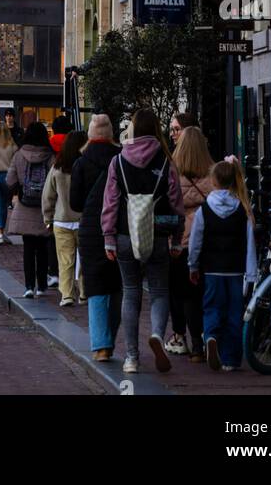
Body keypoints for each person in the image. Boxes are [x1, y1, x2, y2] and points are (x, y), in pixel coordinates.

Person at [102, 107, 185, 375]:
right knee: (160, 291)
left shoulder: (118, 161)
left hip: (126, 235)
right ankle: (158, 336)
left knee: (130, 292)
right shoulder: (166, 161)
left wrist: (109, 238)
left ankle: (131, 357)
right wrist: (176, 238)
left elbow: (111, 202)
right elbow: (176, 203)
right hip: (159, 235)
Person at [188, 159, 258, 372]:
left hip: (211, 269)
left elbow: (195, 240)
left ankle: (210, 336)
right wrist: (252, 275)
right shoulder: (242, 210)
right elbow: (250, 245)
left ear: (213, 181)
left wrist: (192, 265)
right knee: (234, 314)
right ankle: (231, 359)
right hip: (236, 271)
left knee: (212, 308)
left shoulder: (204, 210)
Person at [70, 113, 122, 361]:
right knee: (118, 285)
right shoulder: (121, 159)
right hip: (119, 227)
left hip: (91, 229)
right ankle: (111, 334)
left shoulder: (81, 162)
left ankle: (101, 344)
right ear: (111, 133)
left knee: (95, 286)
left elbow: (76, 202)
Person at [168, 125, 214, 359]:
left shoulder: (172, 173)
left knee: (183, 294)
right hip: (208, 241)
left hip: (181, 241)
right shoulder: (214, 174)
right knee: (205, 292)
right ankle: (207, 336)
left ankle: (188, 340)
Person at [6, 120, 54, 298]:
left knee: (28, 249)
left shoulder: (19, 155)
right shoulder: (50, 156)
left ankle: (28, 286)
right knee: (43, 248)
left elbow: (10, 181)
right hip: (44, 208)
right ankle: (42, 286)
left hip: (25, 205)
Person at [43, 129, 88, 306]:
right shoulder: (85, 165)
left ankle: (67, 294)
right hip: (83, 220)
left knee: (65, 260)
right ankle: (84, 292)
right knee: (84, 259)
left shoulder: (57, 167)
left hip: (62, 219)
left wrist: (48, 218)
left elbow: (48, 195)